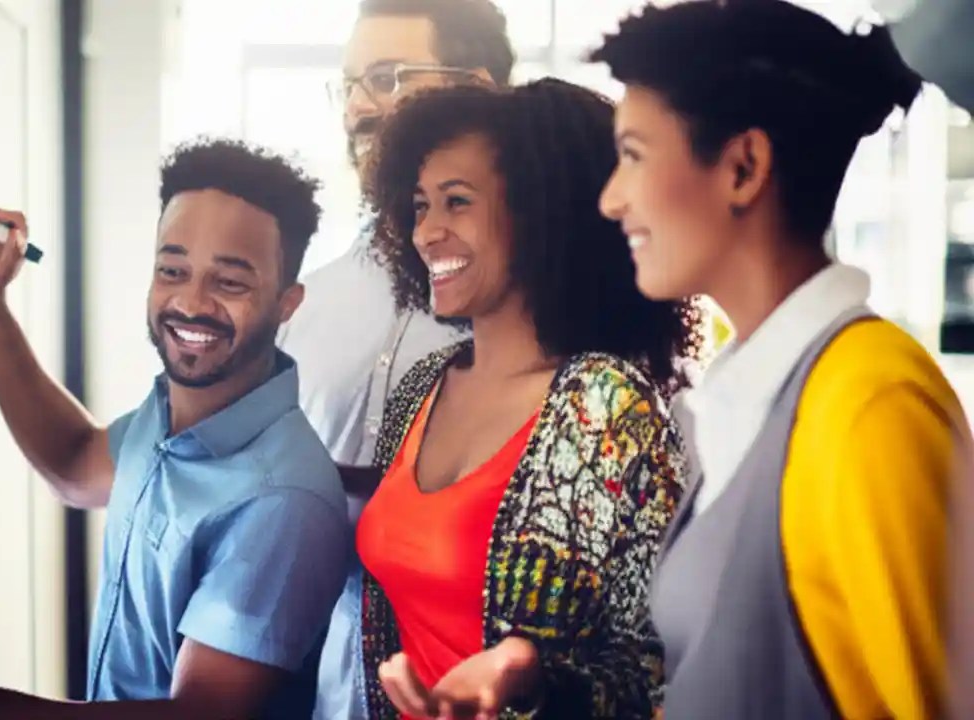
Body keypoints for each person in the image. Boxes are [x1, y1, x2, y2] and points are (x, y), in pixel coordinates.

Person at [0, 139, 350, 720]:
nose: (191, 301)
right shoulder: (168, 416)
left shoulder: (283, 498)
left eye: (231, 283)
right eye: (173, 270)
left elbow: (201, 716)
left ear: (287, 303)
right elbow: (73, 462)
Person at [591, 2, 973, 717]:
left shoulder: (871, 407)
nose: (613, 198)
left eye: (634, 155)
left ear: (743, 167)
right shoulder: (756, 391)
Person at [350, 80, 701, 719]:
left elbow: (664, 668)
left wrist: (538, 684)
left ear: (540, 214)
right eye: (420, 205)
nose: (427, 232)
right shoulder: (421, 388)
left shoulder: (607, 407)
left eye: (457, 203)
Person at [280, 3, 517, 718]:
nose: (356, 107)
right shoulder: (302, 304)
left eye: (384, 78)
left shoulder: (555, 321)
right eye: (349, 84)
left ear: (473, 89)